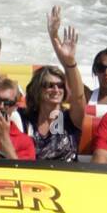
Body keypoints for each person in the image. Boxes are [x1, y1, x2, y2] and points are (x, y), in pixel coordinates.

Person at [21, 16, 85, 162]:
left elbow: (78, 97)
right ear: (37, 89)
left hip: (65, 179)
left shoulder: (70, 119)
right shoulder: (24, 118)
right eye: (49, 85)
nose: (56, 89)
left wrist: (70, 62)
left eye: (60, 85)